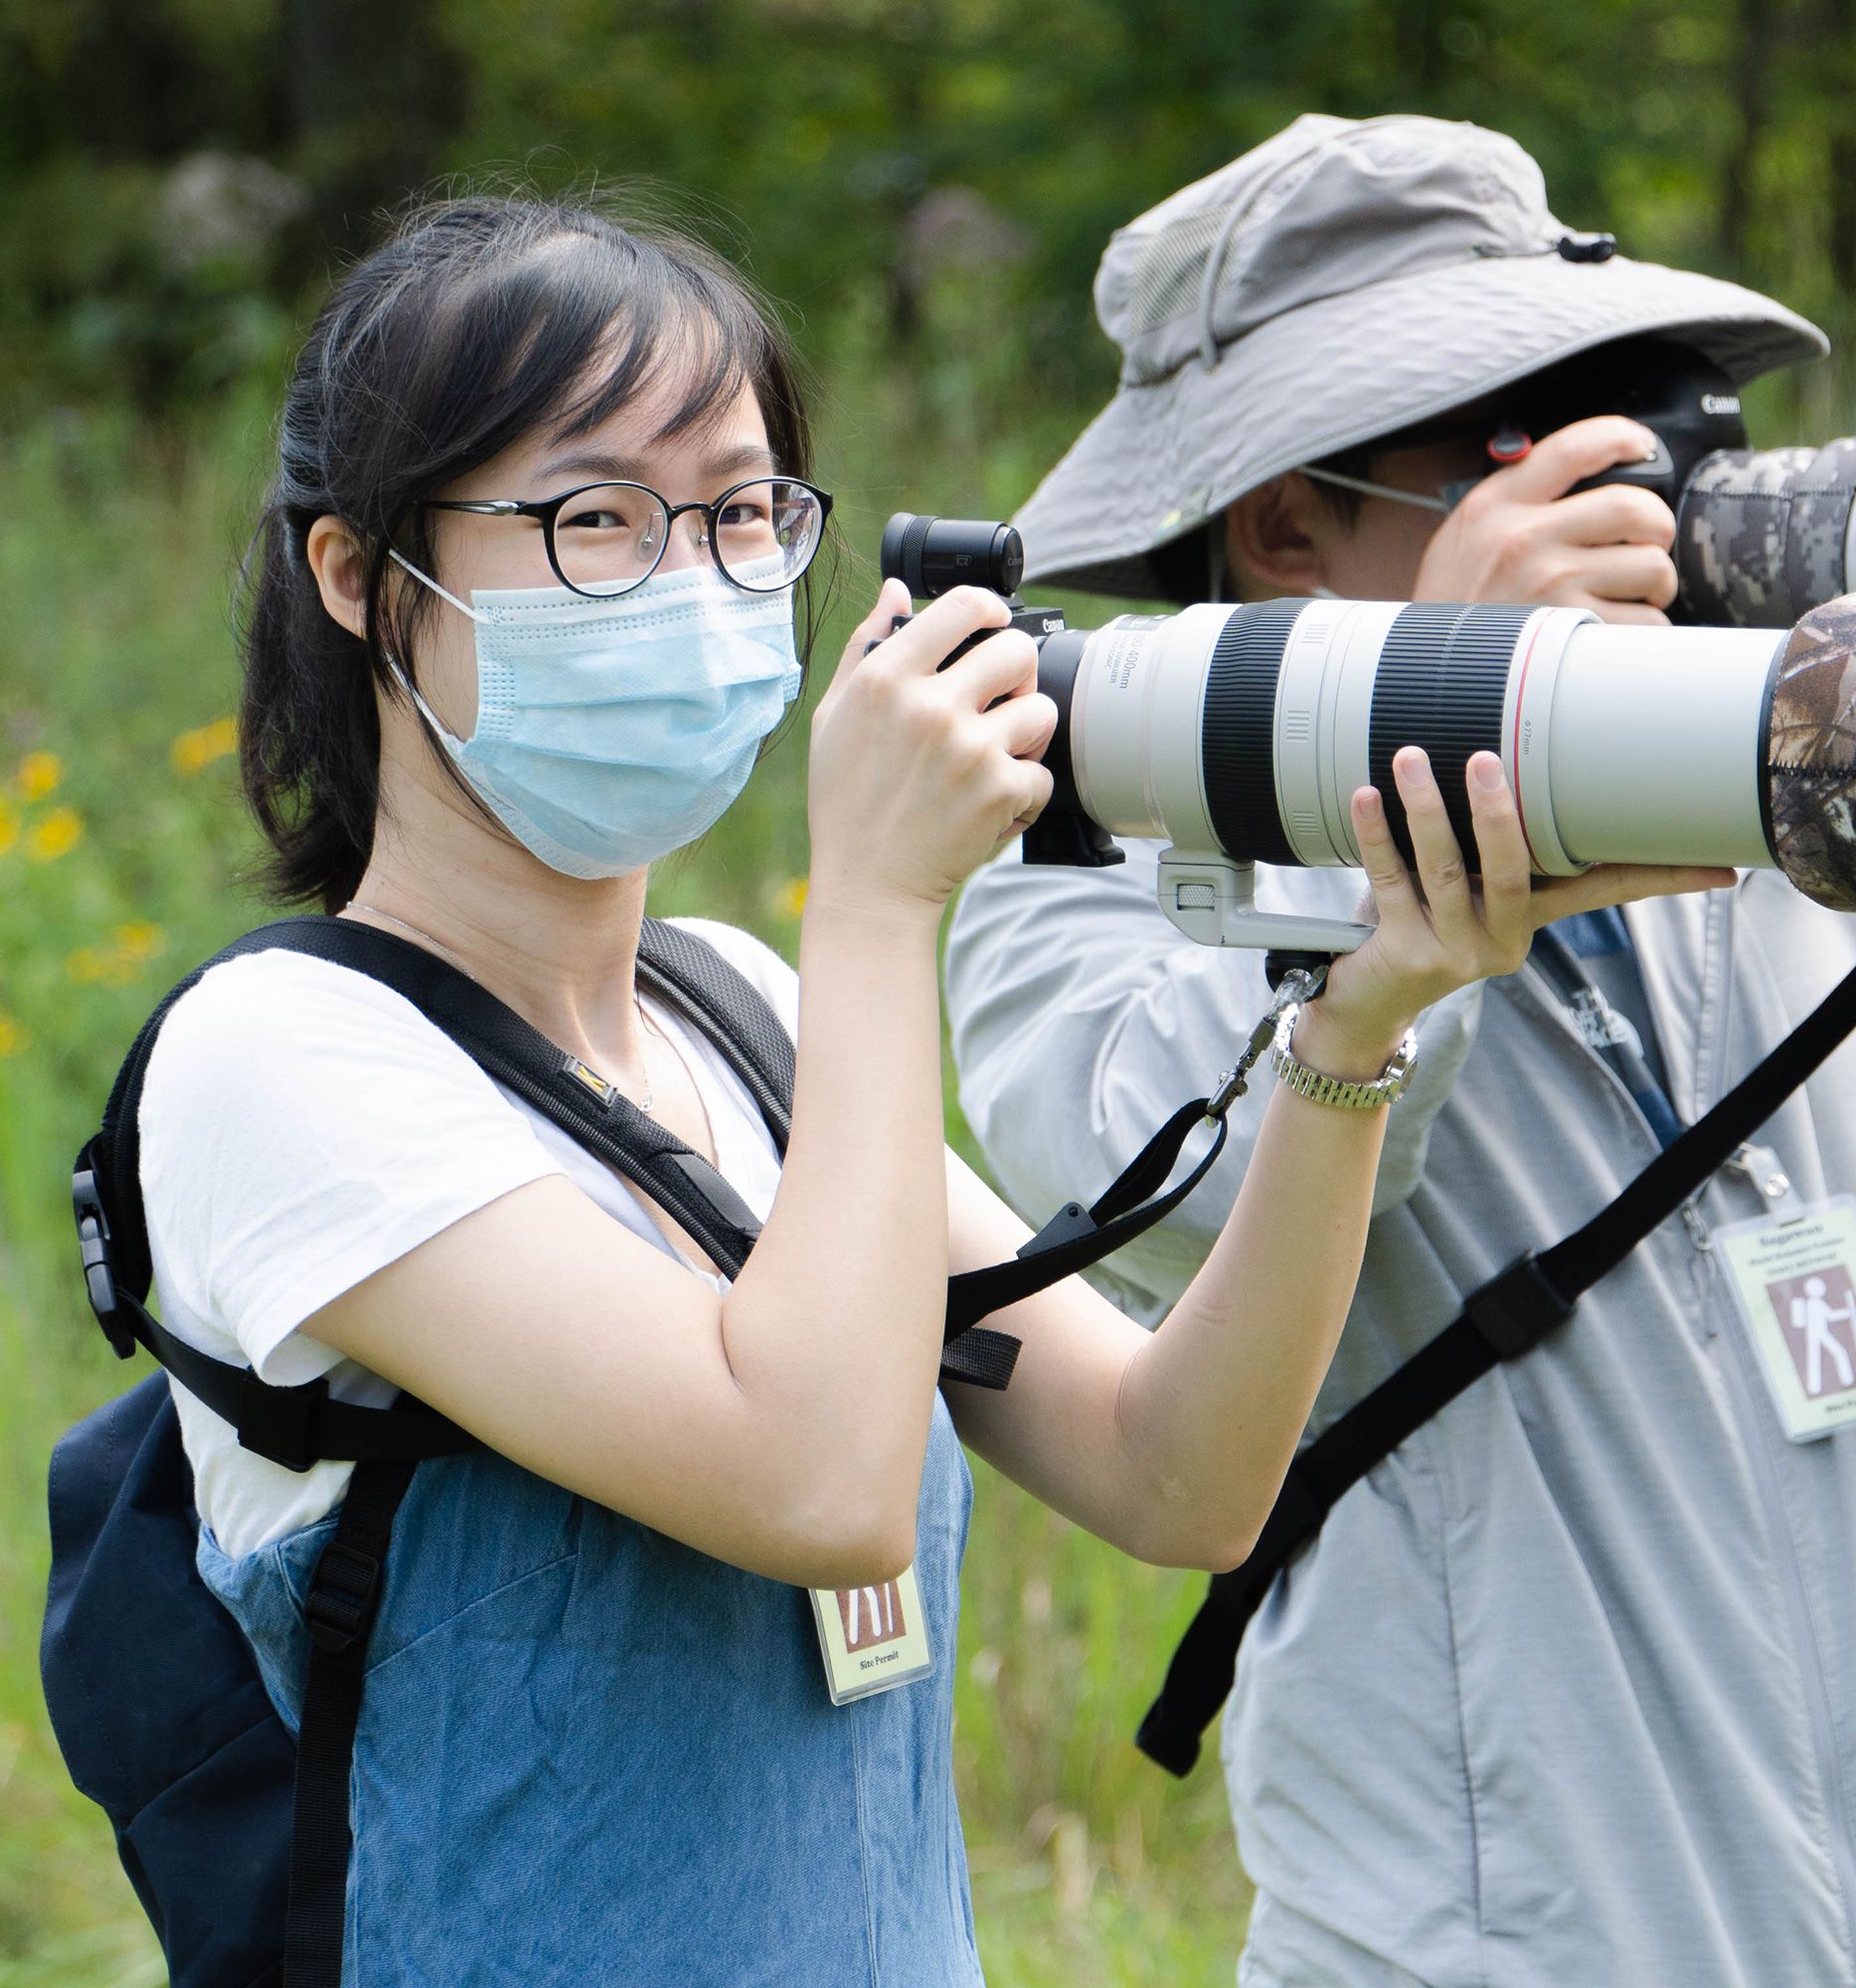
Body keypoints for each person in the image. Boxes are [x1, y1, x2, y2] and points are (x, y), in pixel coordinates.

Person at [150, 190, 1720, 1980]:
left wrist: (1351, 1034)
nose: (694, 579)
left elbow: (1179, 1478)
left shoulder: (736, 1011)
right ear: (359, 575)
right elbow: (817, 1489)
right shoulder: (280, 1058)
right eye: (594, 519)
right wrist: (883, 901)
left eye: (742, 511)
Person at [948, 116, 1856, 1986]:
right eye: (1515, 437)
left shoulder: (1775, 786)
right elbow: (1177, 1214)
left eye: (1623, 415)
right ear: (1282, 527)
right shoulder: (1089, 841)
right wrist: (1431, 722)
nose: (1622, 500)